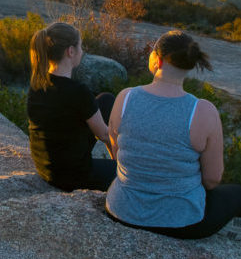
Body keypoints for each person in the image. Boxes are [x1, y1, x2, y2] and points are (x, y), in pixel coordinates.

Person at [106, 30, 241, 239]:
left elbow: (117, 154)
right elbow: (212, 180)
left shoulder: (125, 98)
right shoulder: (203, 111)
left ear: (158, 61)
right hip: (181, 222)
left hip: (122, 211)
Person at [27, 22, 116, 191]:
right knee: (132, 175)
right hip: (72, 175)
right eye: (80, 46)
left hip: (46, 166)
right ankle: (116, 164)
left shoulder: (37, 85)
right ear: (71, 51)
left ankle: (112, 161)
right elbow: (104, 134)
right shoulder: (77, 92)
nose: (82, 51)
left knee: (105, 100)